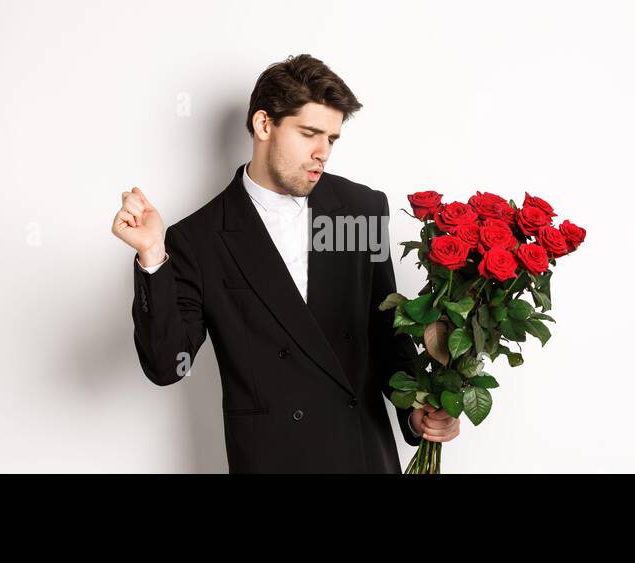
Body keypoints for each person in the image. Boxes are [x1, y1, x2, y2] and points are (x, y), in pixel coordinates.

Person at [112, 54, 460, 473]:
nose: (322, 153)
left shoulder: (360, 209)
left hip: (361, 455)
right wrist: (153, 255)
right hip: (273, 460)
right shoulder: (198, 238)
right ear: (264, 125)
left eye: (331, 138)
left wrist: (415, 408)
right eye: (309, 133)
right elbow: (167, 366)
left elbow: (385, 332)